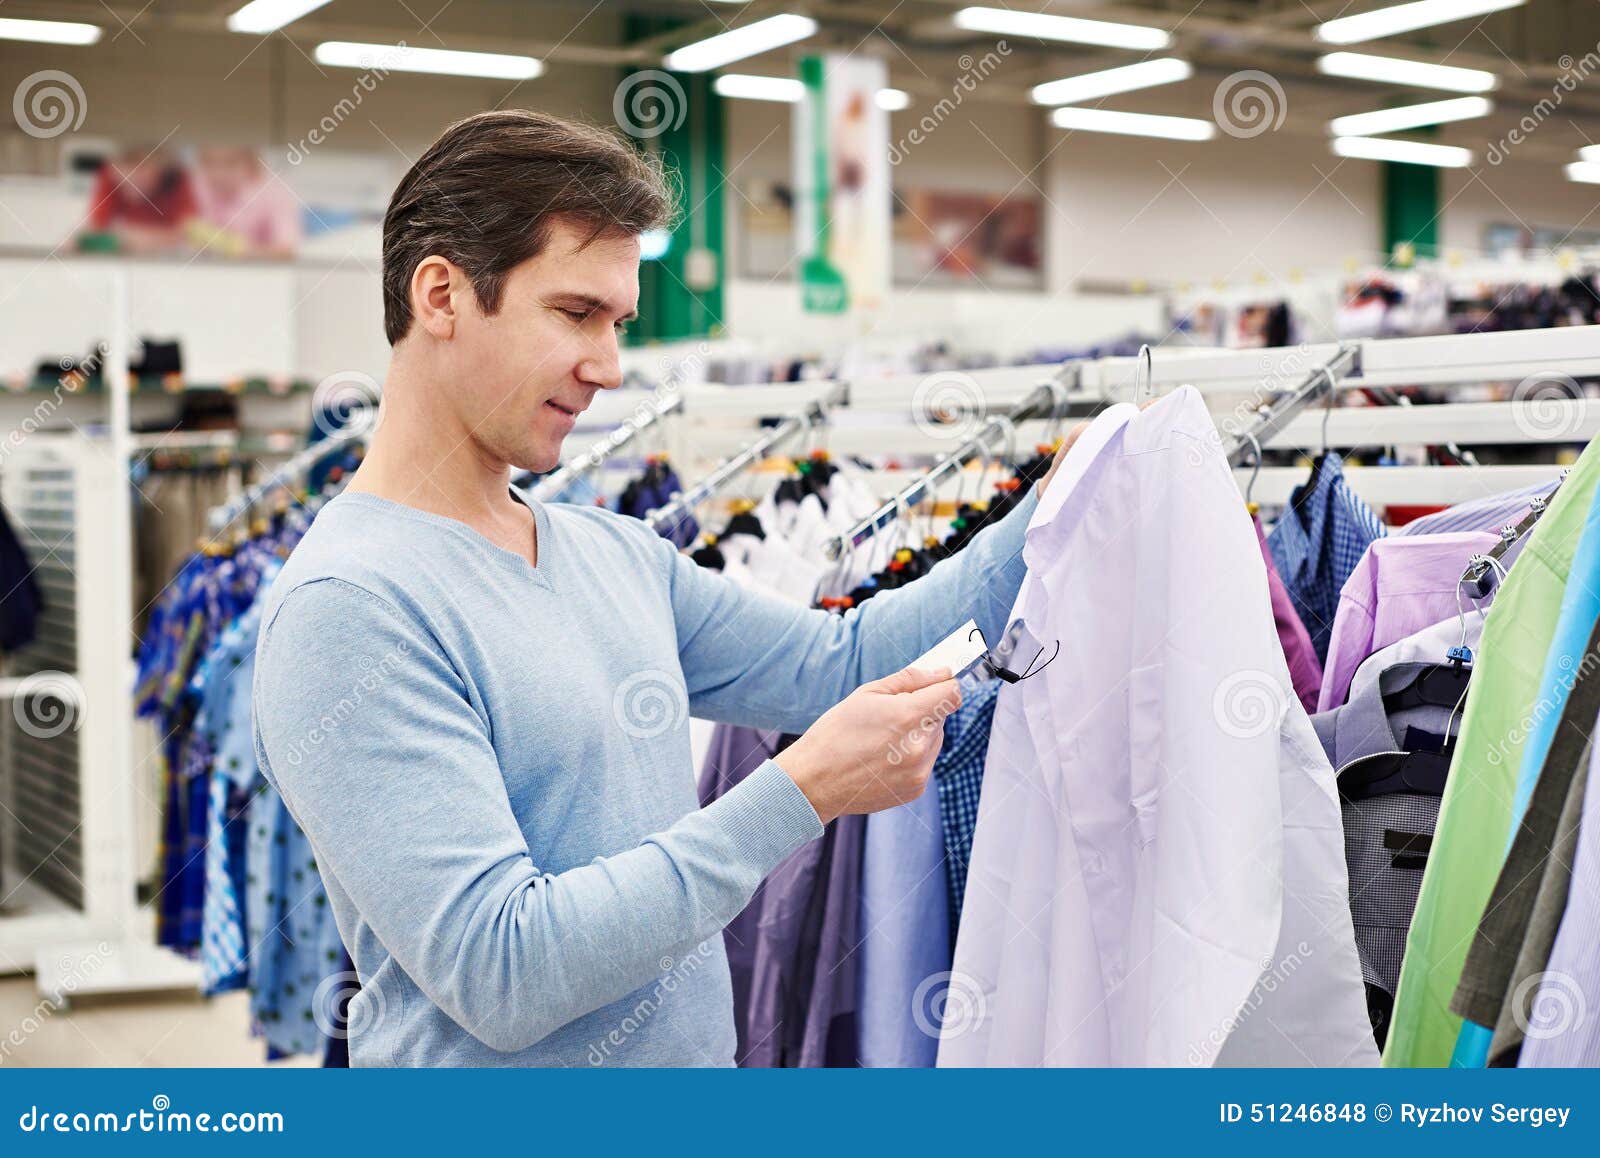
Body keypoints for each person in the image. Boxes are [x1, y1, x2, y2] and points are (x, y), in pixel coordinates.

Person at [251, 109, 1086, 1067]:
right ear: (440, 293)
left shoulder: (614, 554)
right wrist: (799, 792)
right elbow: (502, 972)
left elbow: (839, 659)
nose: (608, 367)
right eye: (575, 314)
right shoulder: (352, 610)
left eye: (618, 324)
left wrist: (1066, 503)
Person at [190, 146, 302, 259]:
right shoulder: (195, 186)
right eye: (209, 162)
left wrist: (237, 249)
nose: (218, 174)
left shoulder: (276, 193)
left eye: (230, 163)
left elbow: (286, 252)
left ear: (250, 164)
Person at [83, 145, 197, 253]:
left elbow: (187, 234)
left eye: (142, 169)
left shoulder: (177, 180)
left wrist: (125, 237)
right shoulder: (109, 175)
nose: (132, 180)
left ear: (160, 171)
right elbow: (95, 230)